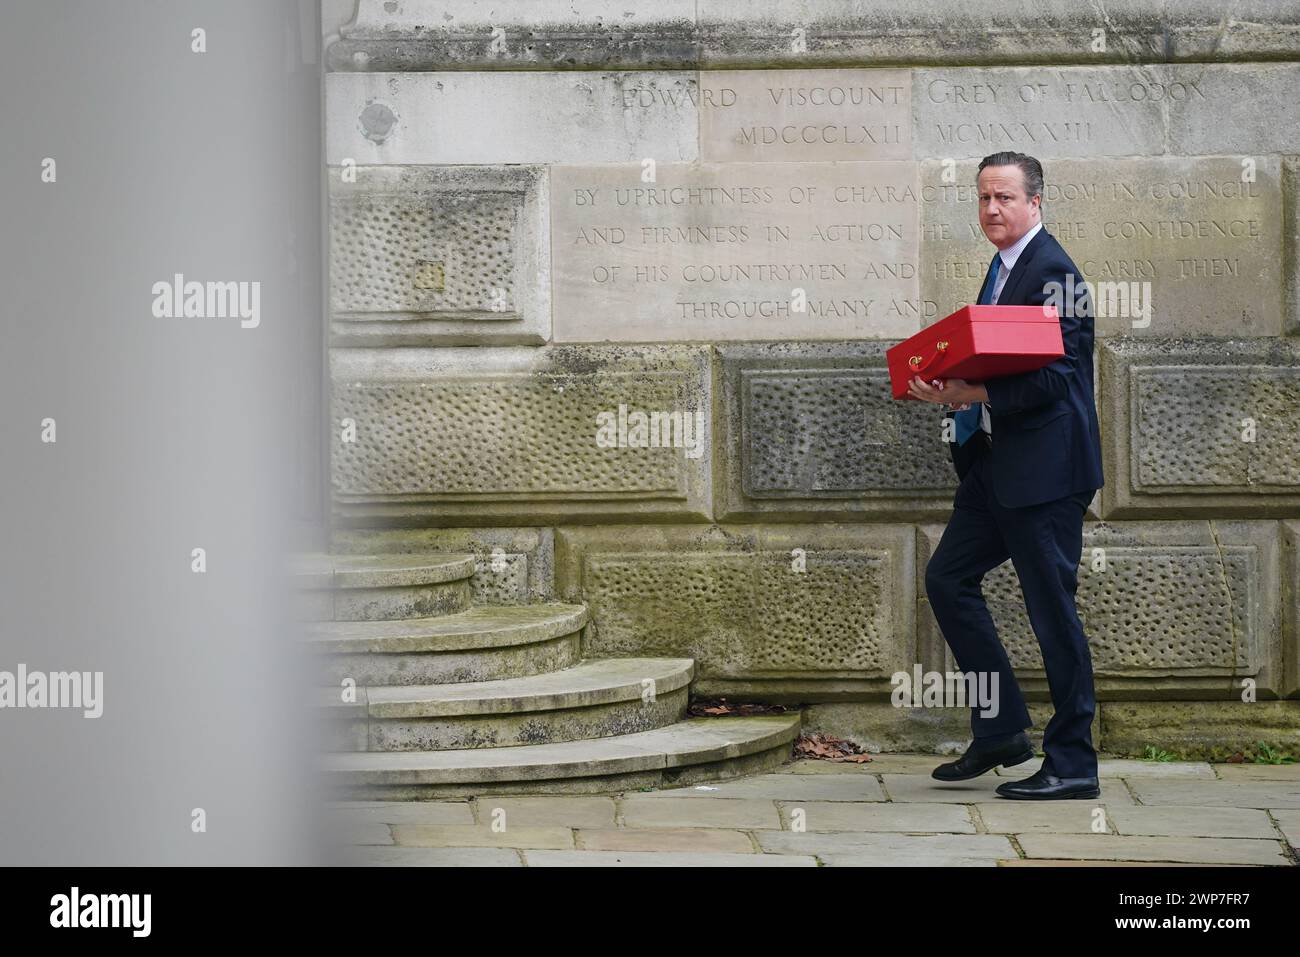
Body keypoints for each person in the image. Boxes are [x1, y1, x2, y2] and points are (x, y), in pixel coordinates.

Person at [907, 151, 1105, 800]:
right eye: (984, 198)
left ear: (1036, 203)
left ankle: (1073, 761)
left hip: (1047, 474)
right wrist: (949, 380)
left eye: (1005, 198)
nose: (992, 209)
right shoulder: (1002, 267)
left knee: (1053, 615)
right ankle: (1001, 729)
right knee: (947, 577)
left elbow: (1058, 378)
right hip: (997, 468)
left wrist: (969, 390)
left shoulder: (1055, 274)